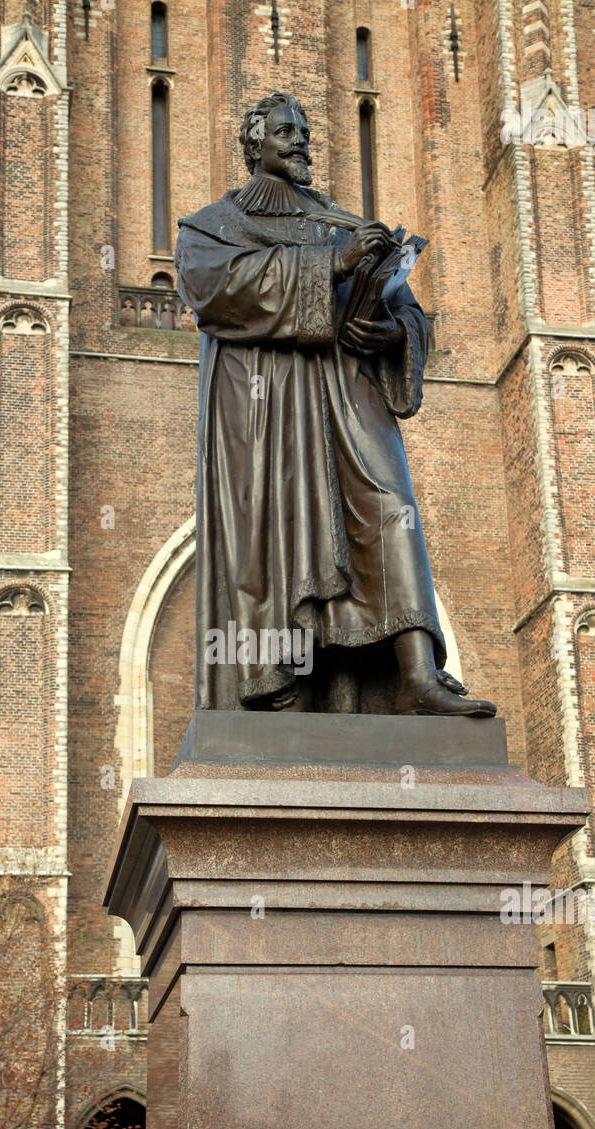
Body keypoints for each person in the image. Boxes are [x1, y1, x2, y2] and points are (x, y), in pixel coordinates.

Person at [175, 92, 496, 717]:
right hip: (263, 401)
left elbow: (402, 307)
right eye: (285, 132)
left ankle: (417, 678)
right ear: (255, 145)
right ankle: (281, 689)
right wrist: (329, 266)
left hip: (349, 391)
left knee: (389, 502)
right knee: (274, 526)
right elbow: (211, 290)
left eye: (304, 131)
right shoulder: (215, 224)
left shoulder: (343, 222)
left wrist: (397, 331)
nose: (300, 140)